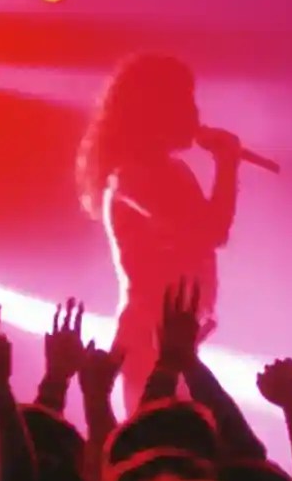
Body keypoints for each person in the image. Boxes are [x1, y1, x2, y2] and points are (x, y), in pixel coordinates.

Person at [76, 54, 243, 415]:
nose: (196, 113)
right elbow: (210, 232)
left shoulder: (174, 172)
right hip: (148, 346)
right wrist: (227, 164)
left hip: (174, 342)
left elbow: (212, 231)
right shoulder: (131, 177)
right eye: (186, 102)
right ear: (156, 110)